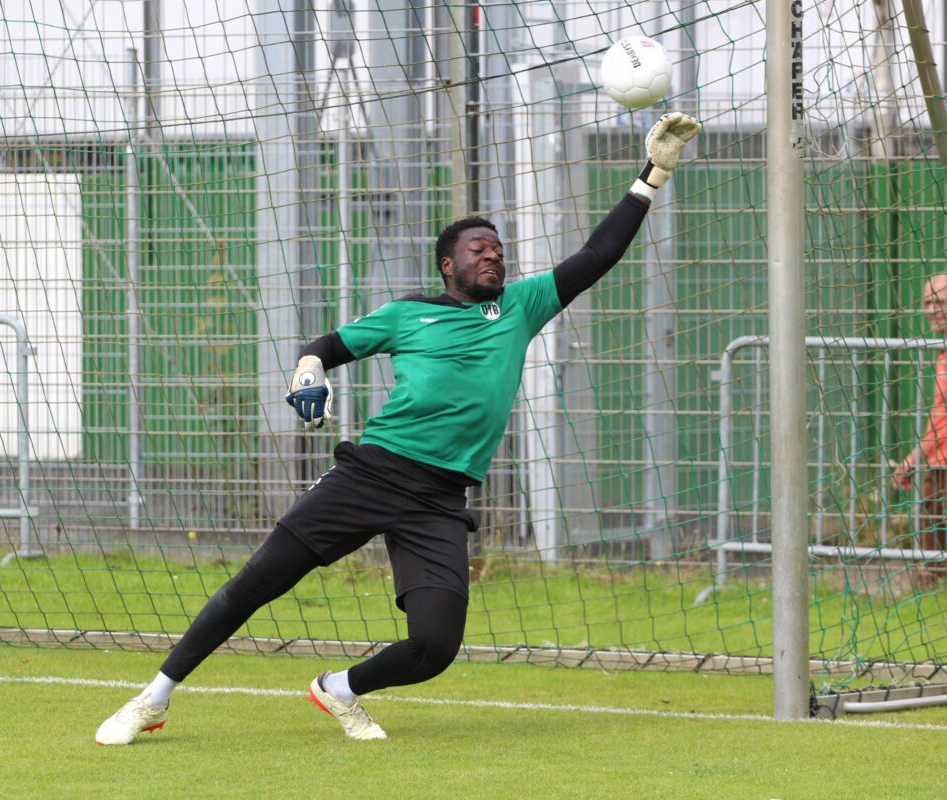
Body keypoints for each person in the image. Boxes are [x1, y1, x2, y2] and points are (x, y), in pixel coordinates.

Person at [95, 112, 702, 745]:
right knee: (256, 584)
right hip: (373, 471)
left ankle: (340, 689)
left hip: (440, 499)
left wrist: (652, 174)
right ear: (448, 265)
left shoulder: (520, 306)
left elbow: (598, 255)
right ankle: (153, 698)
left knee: (435, 647)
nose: (493, 254)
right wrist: (308, 371)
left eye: (498, 248)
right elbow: (324, 345)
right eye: (479, 248)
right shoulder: (407, 314)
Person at [892, 272, 947, 576]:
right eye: (927, 302)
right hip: (939, 460)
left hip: (943, 464)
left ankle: (933, 584)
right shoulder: (941, 350)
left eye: (940, 302)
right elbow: (940, 413)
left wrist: (914, 460)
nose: (932, 309)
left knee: (934, 541)